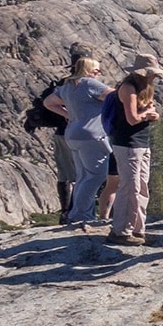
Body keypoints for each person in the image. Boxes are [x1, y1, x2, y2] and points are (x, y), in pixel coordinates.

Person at [43, 54, 111, 229]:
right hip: (92, 135)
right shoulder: (89, 83)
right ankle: (80, 215)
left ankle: (80, 214)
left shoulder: (66, 86)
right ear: (88, 70)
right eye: (96, 70)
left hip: (72, 133)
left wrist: (70, 115)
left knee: (82, 176)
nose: (98, 74)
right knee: (96, 176)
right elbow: (115, 97)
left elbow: (48, 103)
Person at [106, 52, 163, 246]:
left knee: (142, 187)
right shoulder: (128, 88)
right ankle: (121, 230)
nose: (154, 77)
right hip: (127, 143)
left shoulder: (145, 88)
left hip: (141, 143)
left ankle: (138, 229)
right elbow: (132, 118)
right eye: (152, 74)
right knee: (129, 187)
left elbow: (152, 113)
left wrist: (150, 114)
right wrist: (147, 113)